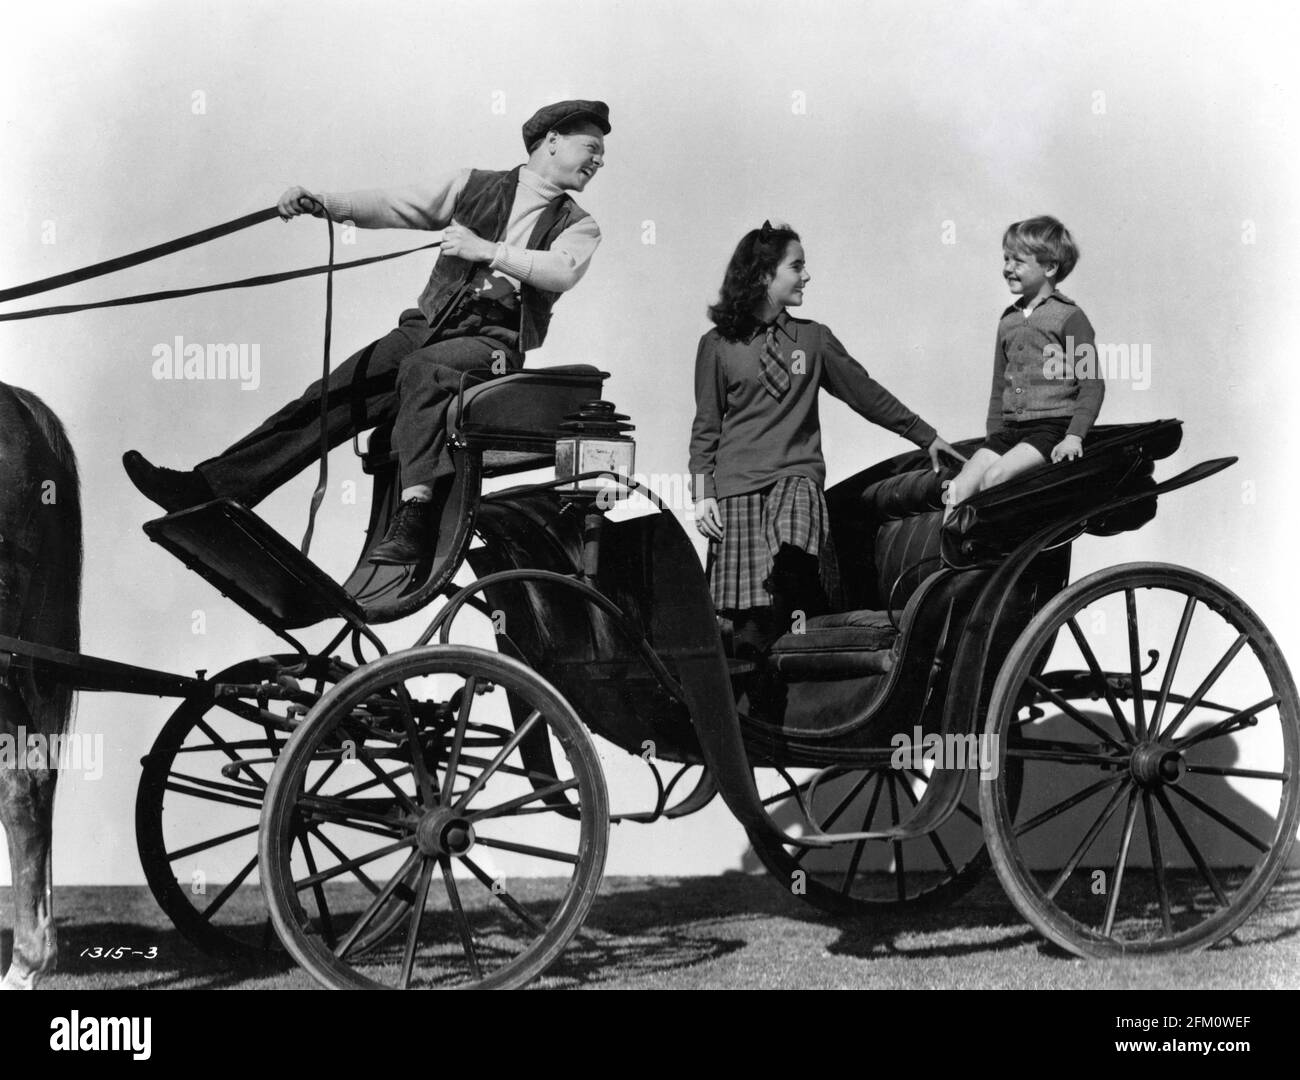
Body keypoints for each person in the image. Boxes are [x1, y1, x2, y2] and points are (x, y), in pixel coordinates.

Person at [123, 99, 610, 564]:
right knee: (336, 390)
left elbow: (561, 271)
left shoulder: (579, 225)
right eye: (592, 149)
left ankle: (414, 515)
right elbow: (398, 204)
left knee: (425, 370)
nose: (599, 162)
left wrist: (488, 251)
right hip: (429, 325)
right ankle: (210, 489)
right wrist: (324, 203)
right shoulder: (474, 185)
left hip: (492, 345)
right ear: (551, 140)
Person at [689, 222, 961, 658]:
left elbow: (864, 392)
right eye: (796, 267)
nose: (806, 276)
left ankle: (792, 597)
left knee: (792, 541)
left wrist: (924, 435)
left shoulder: (813, 339)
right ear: (763, 275)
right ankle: (759, 691)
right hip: (736, 493)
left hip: (794, 478)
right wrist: (703, 494)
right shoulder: (718, 345)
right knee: (749, 631)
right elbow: (706, 425)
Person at [944, 215, 1104, 515]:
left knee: (995, 479)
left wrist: (1074, 436)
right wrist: (991, 439)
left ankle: (991, 557)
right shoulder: (1008, 319)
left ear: (1049, 267)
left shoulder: (1070, 317)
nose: (1007, 268)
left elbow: (1092, 383)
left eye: (1017, 261)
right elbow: (998, 387)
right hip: (1010, 431)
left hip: (1051, 427)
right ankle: (946, 561)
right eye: (1005, 259)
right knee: (958, 488)